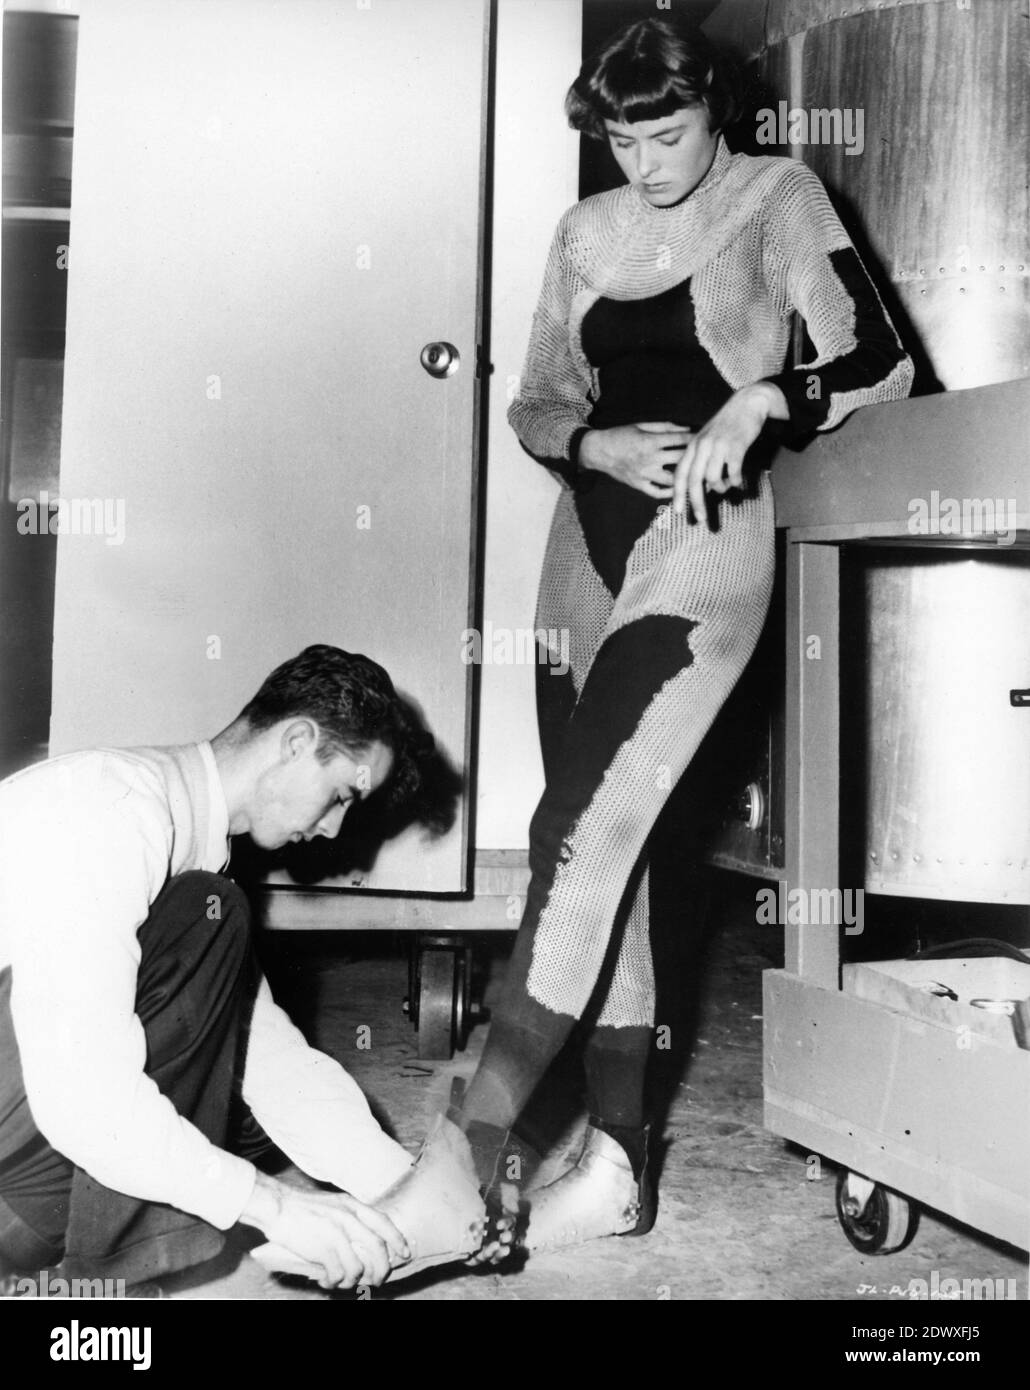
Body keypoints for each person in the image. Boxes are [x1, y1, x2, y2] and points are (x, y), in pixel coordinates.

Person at [404, 17, 914, 1253]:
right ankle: (619, 1167)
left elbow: (881, 358)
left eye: (666, 132)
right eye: (623, 139)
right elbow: (535, 398)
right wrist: (593, 444)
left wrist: (760, 396)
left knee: (577, 829)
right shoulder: (583, 234)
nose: (644, 162)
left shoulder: (776, 194)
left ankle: (461, 1166)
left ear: (713, 112)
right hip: (581, 550)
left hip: (705, 535)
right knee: (601, 856)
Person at [0, 643, 463, 1291]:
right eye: (340, 795)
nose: (334, 831)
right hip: (16, 1170)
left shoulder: (190, 840)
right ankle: (156, 1273)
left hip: (23, 1167)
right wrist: (276, 1205)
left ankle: (119, 1241)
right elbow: (79, 1093)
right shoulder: (110, 810)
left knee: (240, 1106)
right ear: (297, 741)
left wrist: (405, 1192)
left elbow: (267, 1056)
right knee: (210, 917)